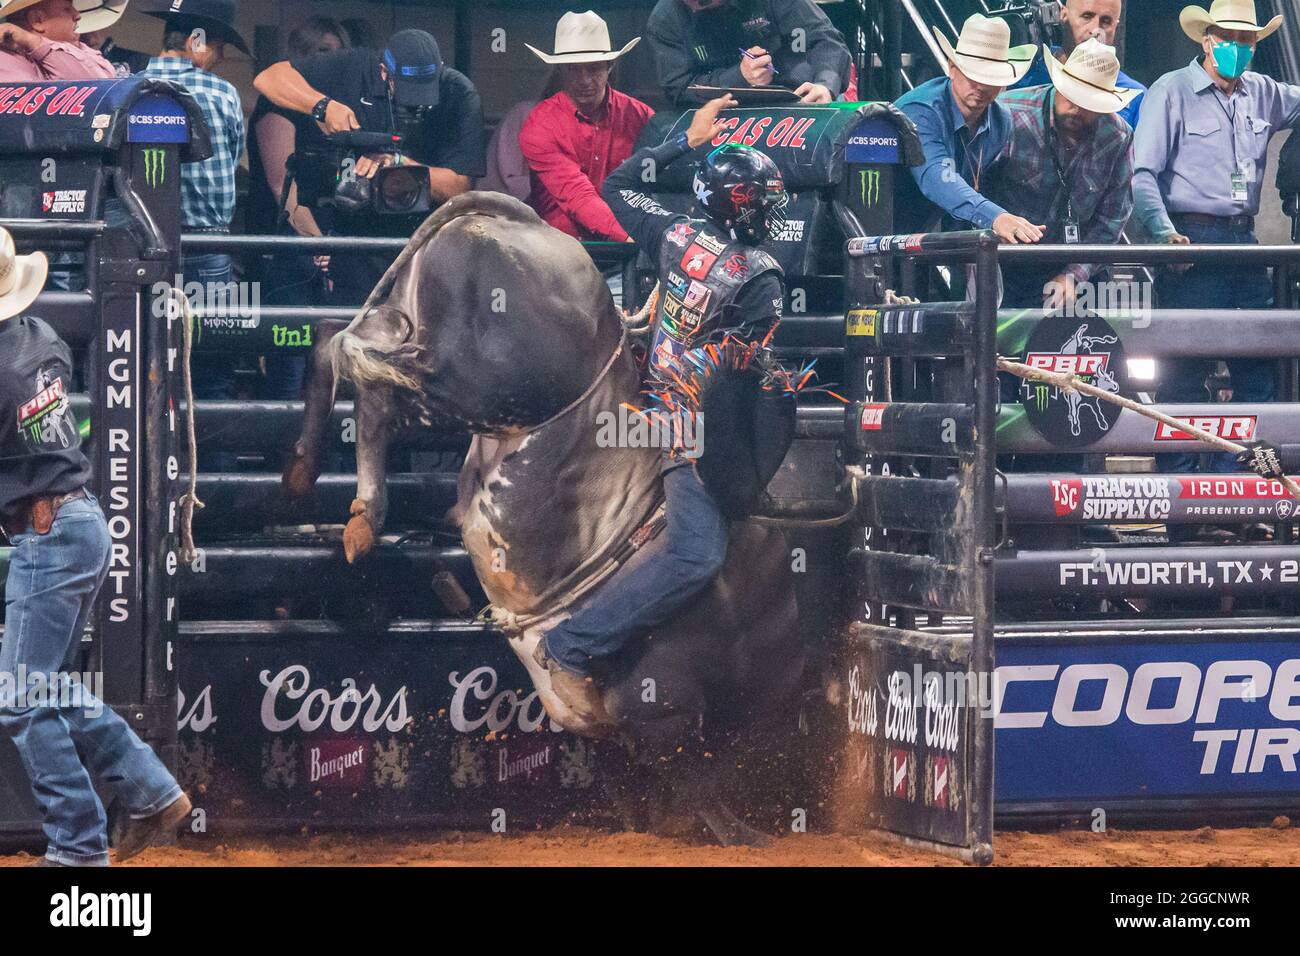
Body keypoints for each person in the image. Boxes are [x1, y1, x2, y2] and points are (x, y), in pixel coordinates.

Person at [532, 95, 788, 717]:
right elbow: (751, 383)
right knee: (699, 555)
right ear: (745, 209)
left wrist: (683, 141)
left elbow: (617, 184)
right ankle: (571, 644)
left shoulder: (675, 233)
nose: (775, 213)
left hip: (641, 402)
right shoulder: (761, 278)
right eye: (766, 203)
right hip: (691, 427)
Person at [0, 228, 191, 866]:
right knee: (40, 687)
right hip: (79, 522)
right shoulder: (42, 340)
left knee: (23, 695)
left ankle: (88, 841)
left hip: (49, 528)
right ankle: (139, 800)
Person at [1133, 0, 1300, 483]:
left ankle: (1233, 488)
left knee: (1257, 375)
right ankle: (1182, 494)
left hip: (1242, 243)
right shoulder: (1172, 91)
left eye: (1246, 40)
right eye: (1229, 38)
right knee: (1184, 375)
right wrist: (1165, 234)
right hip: (1193, 239)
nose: (1238, 48)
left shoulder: (1264, 93)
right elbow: (1143, 175)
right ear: (1207, 39)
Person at [253, 28, 486, 305]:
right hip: (354, 239)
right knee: (348, 334)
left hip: (426, 245)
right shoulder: (353, 67)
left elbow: (461, 188)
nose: (417, 103)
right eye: (408, 90)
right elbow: (268, 78)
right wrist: (323, 106)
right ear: (384, 72)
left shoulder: (457, 92)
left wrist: (398, 166)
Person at [138, 0, 247, 413]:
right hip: (207, 249)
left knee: (140, 364)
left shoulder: (128, 84)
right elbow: (233, 159)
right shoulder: (222, 93)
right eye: (218, 49)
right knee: (210, 375)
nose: (218, 60)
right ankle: (212, 470)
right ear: (197, 42)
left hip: (140, 249)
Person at [986, 39, 1136, 312]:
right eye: (1072, 95)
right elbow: (975, 187)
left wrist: (1074, 274)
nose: (1077, 107)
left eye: (1089, 102)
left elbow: (1112, 219)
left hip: (1078, 262)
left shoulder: (1117, 136)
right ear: (1058, 83)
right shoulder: (1009, 113)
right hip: (1006, 262)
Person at [245, 15, 347, 402]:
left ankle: (333, 460)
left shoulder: (336, 107)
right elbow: (281, 187)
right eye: (323, 51)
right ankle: (284, 457)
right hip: (287, 251)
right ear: (303, 54)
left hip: (329, 247)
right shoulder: (279, 103)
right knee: (290, 364)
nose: (331, 61)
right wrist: (321, 246)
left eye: (339, 53)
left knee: (334, 362)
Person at [895, 14, 1045, 245]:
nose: (981, 84)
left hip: (925, 233)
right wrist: (996, 216)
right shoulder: (921, 110)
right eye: (972, 73)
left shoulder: (1000, 120)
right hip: (883, 229)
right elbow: (936, 177)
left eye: (990, 76)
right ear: (952, 68)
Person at [519, 11, 654, 242]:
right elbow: (577, 196)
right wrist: (639, 237)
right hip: (557, 251)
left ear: (609, 67)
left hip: (628, 246)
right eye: (573, 69)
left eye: (593, 68)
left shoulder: (641, 116)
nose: (584, 80)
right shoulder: (539, 124)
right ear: (560, 71)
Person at [646, 0, 852, 108]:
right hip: (722, 113)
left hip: (798, 97)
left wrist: (825, 86)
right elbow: (679, 89)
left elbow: (827, 40)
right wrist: (739, 78)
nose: (693, 8)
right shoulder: (665, 18)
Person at [1011, 0, 1145, 130]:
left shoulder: (1135, 99)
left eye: (1106, 21)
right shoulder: (1020, 72)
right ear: (1063, 15)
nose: (1095, 30)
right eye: (1087, 16)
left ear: (1116, 27)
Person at [0, 0, 115, 82]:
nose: (77, 15)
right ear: (37, 20)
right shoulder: (5, 58)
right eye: (67, 9)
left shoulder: (83, 49)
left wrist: (36, 44)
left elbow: (106, 85)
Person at [76, 0, 148, 75]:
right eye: (82, 31)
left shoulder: (138, 59)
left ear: (107, 26)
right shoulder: (70, 61)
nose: (89, 37)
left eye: (95, 28)